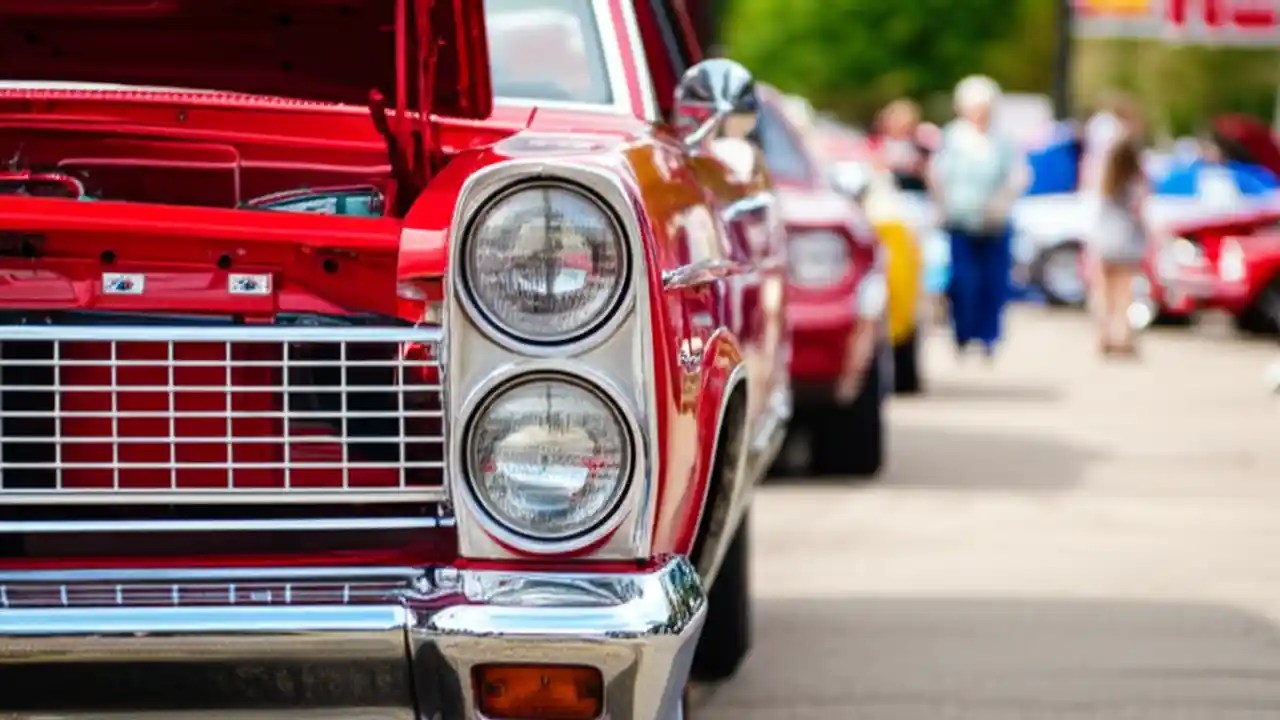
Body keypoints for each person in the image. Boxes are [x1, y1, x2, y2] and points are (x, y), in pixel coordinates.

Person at [928, 75, 1027, 359]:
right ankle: (962, 332)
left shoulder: (1001, 140)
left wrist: (1000, 203)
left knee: (993, 281)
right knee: (963, 280)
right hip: (960, 221)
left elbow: (1016, 176)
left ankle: (988, 336)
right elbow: (938, 175)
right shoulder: (953, 137)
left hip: (994, 223)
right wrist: (942, 206)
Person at [1089, 136, 1149, 356]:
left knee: (1104, 292)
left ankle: (1103, 335)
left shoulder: (1105, 179)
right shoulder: (1135, 181)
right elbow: (1139, 209)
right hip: (1126, 240)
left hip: (1105, 240)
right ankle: (1123, 337)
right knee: (1125, 294)